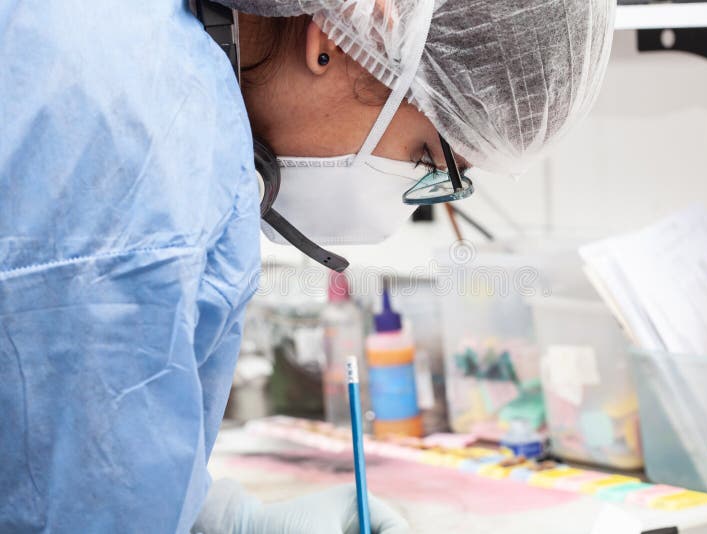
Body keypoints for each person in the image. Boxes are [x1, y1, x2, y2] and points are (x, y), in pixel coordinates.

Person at [0, 0, 614, 532]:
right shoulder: (140, 145)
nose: (408, 194)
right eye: (427, 157)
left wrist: (209, 516)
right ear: (336, 38)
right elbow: (69, 499)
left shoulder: (124, 42)